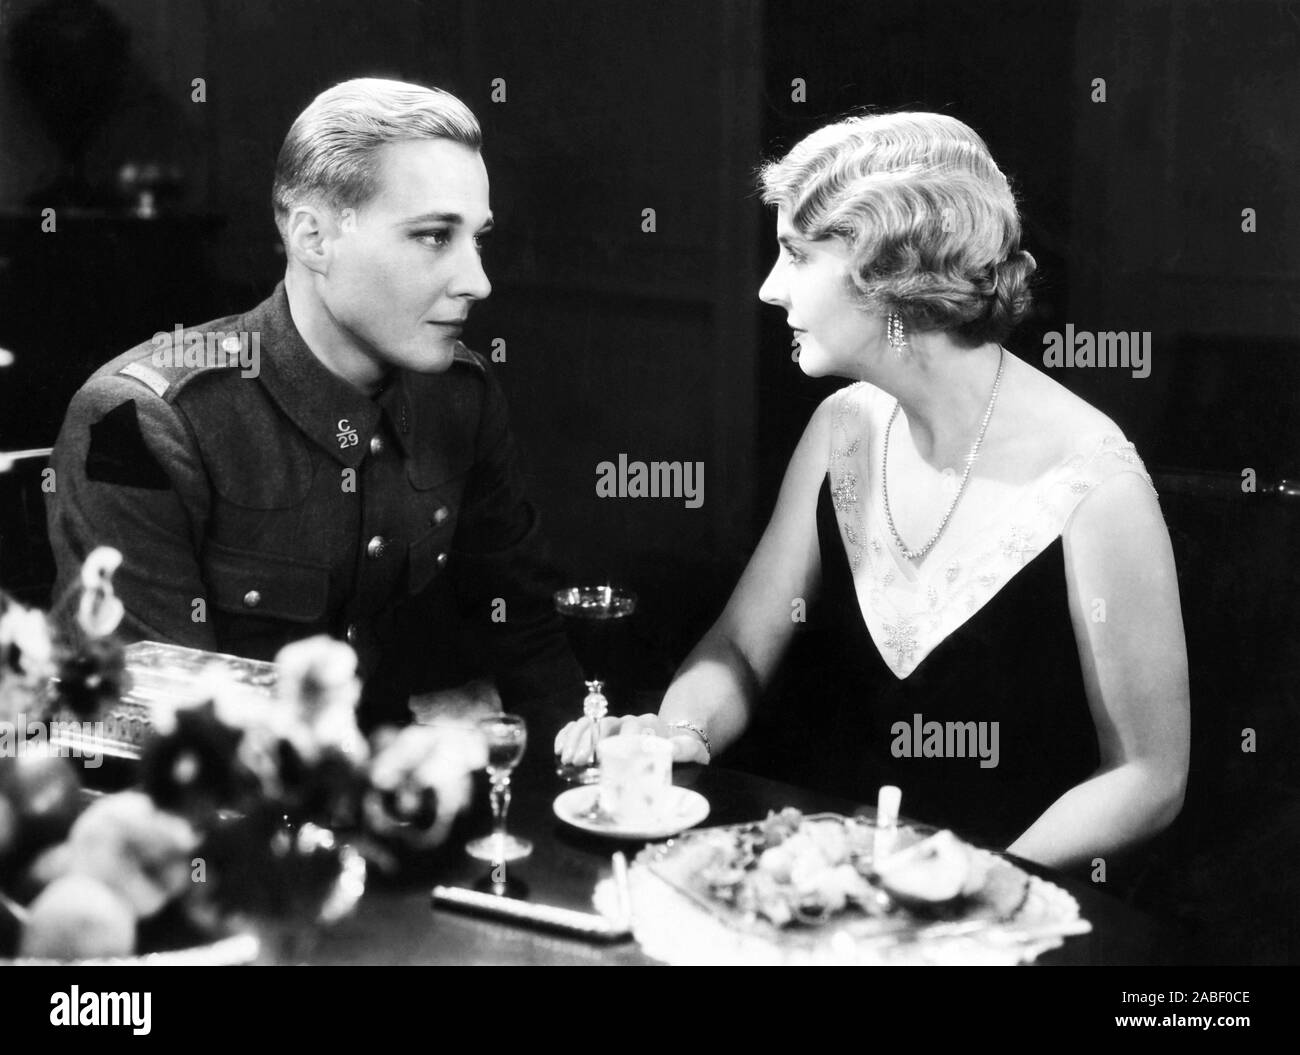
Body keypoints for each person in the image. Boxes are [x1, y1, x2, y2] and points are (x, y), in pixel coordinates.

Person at [557, 112, 1189, 871]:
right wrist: (680, 732)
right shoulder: (842, 427)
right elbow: (739, 650)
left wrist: (975, 887)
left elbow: (1149, 777)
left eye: (795, 254)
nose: (767, 287)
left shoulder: (1096, 480)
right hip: (829, 892)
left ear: (891, 266)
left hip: (1011, 914)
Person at [46, 78, 582, 731]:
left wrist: (592, 757)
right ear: (314, 238)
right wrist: (415, 725)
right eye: (435, 236)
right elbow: (157, 735)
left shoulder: (461, 400)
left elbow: (527, 639)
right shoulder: (143, 422)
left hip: (400, 808)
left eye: (478, 239)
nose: (478, 281)